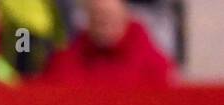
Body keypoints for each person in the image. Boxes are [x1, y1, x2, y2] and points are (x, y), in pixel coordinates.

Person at [42, 0, 173, 86]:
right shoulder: (65, 61)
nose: (104, 23)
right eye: (98, 17)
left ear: (124, 16)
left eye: (109, 16)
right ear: (88, 19)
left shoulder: (152, 64)